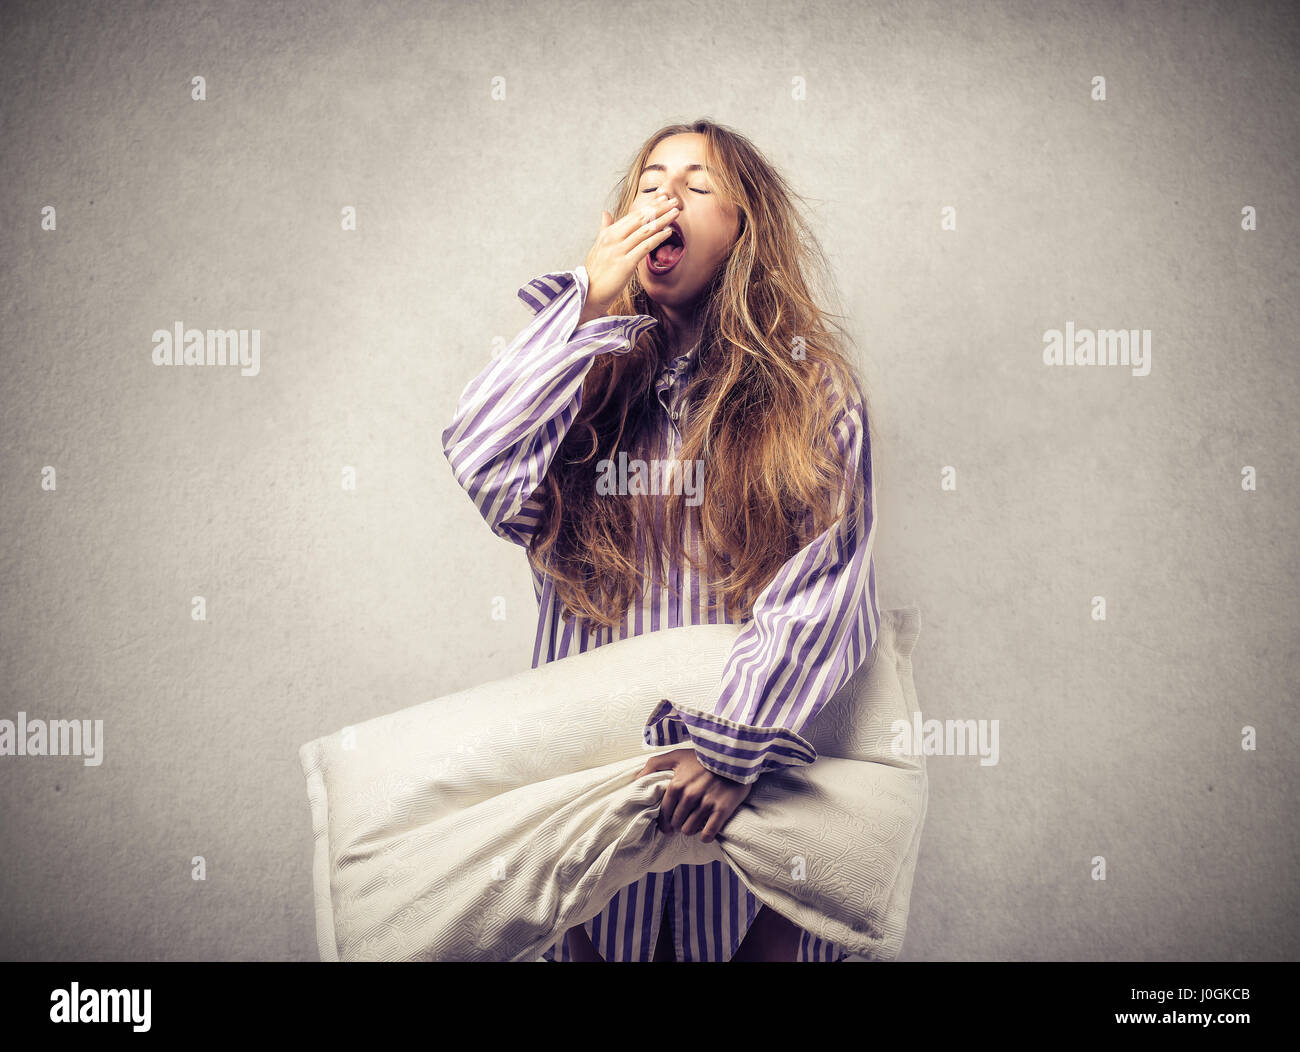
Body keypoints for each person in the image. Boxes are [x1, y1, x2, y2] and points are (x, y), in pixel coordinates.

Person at [441, 119, 881, 961]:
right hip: (597, 818)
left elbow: (827, 584)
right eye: (648, 184)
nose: (664, 197)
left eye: (697, 185)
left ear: (744, 230)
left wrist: (731, 747)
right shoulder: (580, 379)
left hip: (753, 825)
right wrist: (586, 308)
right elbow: (481, 459)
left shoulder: (813, 391)